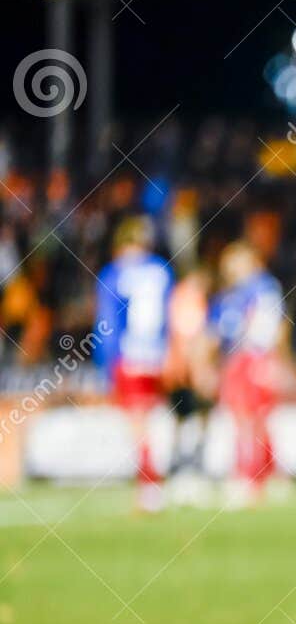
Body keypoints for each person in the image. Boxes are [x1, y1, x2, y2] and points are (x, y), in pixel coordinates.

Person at [95, 216, 174, 514]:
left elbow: (107, 323)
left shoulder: (114, 273)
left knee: (137, 425)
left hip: (129, 357)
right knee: (152, 420)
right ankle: (156, 481)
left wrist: (107, 363)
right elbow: (171, 315)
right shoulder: (161, 270)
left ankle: (149, 485)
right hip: (157, 356)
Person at [210, 243, 287, 509]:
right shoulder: (240, 291)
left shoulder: (257, 288)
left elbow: (268, 327)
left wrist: (273, 360)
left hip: (250, 357)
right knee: (253, 420)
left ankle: (248, 477)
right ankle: (266, 474)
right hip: (247, 358)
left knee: (247, 420)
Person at [164, 266, 216, 506]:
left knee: (184, 418)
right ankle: (189, 465)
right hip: (185, 372)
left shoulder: (177, 297)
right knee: (193, 415)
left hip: (178, 371)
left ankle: (183, 464)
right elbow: (192, 339)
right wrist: (200, 371)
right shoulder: (188, 299)